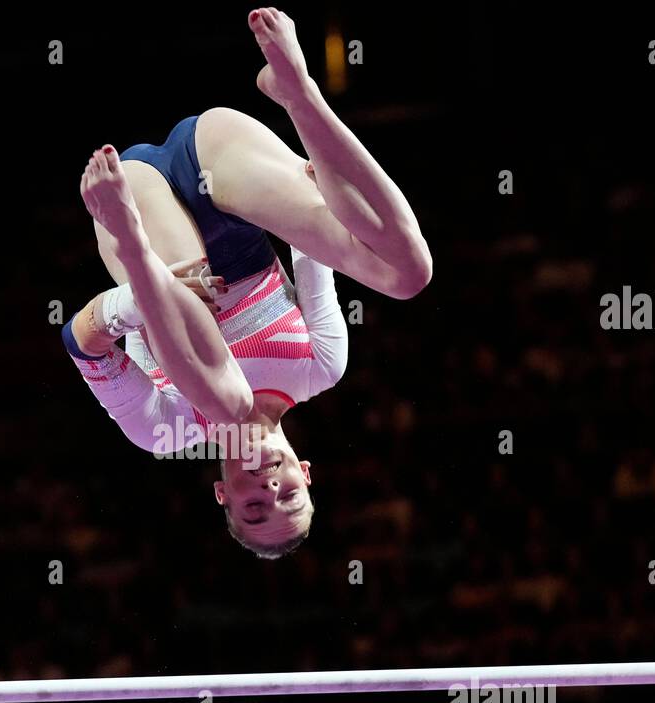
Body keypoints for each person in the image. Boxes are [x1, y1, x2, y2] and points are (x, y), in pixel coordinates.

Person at [62, 7, 432, 558]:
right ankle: (300, 92)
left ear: (222, 494)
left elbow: (80, 341)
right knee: (407, 275)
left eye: (255, 506)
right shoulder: (321, 367)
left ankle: (138, 254)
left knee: (226, 403)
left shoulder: (161, 431)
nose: (268, 488)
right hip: (227, 179)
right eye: (288, 497)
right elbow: (312, 249)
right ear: (305, 473)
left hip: (146, 223)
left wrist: (136, 302)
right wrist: (322, 193)